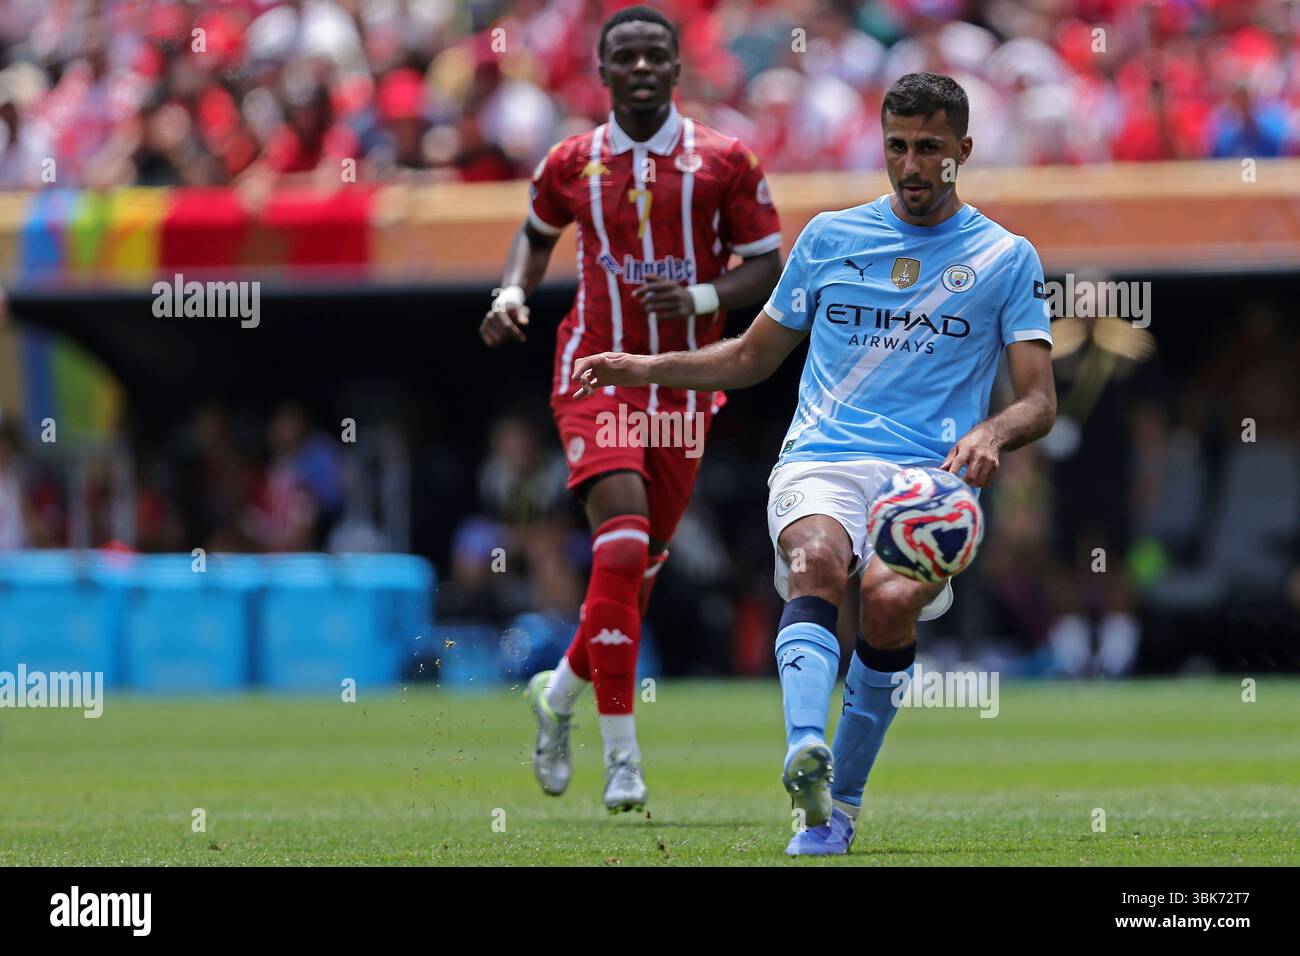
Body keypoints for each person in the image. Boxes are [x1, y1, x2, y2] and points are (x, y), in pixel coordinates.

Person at [572, 73, 1056, 851]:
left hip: (929, 479)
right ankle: (805, 747)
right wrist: (642, 367)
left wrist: (994, 434)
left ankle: (838, 808)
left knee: (889, 603)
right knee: (819, 562)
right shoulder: (830, 238)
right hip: (822, 458)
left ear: (964, 150)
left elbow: (1039, 399)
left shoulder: (1007, 258)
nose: (912, 166)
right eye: (898, 147)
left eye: (930, 149)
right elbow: (752, 357)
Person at [480, 5, 782, 813]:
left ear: (677, 69)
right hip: (596, 373)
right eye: (627, 57)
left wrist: (702, 294)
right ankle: (623, 762)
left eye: (656, 55)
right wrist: (513, 291)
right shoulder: (571, 162)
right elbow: (534, 232)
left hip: (684, 385)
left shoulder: (727, 160)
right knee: (616, 553)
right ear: (604, 73)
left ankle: (556, 699)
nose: (643, 67)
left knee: (637, 576)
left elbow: (766, 267)